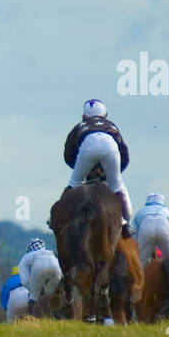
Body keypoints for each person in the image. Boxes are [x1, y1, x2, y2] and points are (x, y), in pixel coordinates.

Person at [63, 99, 133, 236]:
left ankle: (61, 216)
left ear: (84, 116)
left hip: (88, 147)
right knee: (117, 186)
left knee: (74, 182)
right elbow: (125, 157)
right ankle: (125, 224)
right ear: (105, 115)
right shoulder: (112, 126)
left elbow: (68, 155)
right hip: (110, 148)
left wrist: (83, 172)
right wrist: (108, 175)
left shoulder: (80, 126)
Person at [17, 238, 62, 315]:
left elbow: (24, 279)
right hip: (55, 264)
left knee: (33, 296)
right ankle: (61, 314)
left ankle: (30, 317)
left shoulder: (27, 256)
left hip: (39, 266)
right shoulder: (49, 252)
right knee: (56, 292)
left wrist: (32, 289)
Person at [134, 192, 169, 262]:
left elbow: (135, 231)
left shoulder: (140, 211)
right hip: (164, 230)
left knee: (140, 261)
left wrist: (137, 247)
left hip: (146, 231)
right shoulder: (167, 211)